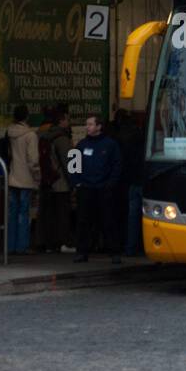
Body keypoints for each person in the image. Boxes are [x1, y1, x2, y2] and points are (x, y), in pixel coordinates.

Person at [68, 113, 122, 264]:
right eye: (87, 124)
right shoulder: (81, 144)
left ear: (99, 126)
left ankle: (114, 252)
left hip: (104, 189)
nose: (87, 127)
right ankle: (82, 252)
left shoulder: (110, 145)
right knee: (83, 222)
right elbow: (73, 165)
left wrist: (110, 184)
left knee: (108, 221)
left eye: (90, 124)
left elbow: (117, 166)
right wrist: (77, 184)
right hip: (86, 189)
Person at [37, 106, 74, 252]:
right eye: (68, 119)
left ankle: (48, 243)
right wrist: (75, 180)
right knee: (62, 214)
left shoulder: (42, 134)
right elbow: (70, 162)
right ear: (62, 121)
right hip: (61, 182)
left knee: (48, 214)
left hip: (47, 181)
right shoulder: (62, 138)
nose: (69, 122)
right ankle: (63, 242)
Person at [5, 105, 41, 254]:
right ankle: (22, 246)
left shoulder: (9, 132)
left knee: (12, 212)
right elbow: (33, 160)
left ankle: (10, 245)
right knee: (24, 213)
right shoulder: (30, 135)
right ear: (27, 117)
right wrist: (37, 177)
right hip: (26, 178)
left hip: (12, 176)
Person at [113, 109, 146, 257]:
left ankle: (129, 247)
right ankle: (137, 246)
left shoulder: (116, 137)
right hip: (141, 179)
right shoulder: (140, 136)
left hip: (126, 180)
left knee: (130, 215)